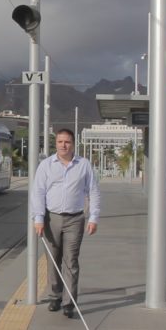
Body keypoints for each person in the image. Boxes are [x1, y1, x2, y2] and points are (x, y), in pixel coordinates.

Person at [29, 128, 100, 318]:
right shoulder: (46, 165)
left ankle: (69, 302)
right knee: (53, 260)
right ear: (56, 144)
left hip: (75, 219)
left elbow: (93, 191)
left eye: (67, 142)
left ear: (73, 144)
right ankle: (55, 296)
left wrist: (93, 217)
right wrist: (38, 218)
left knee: (71, 261)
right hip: (51, 218)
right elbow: (38, 192)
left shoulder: (84, 165)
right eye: (60, 142)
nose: (63, 145)